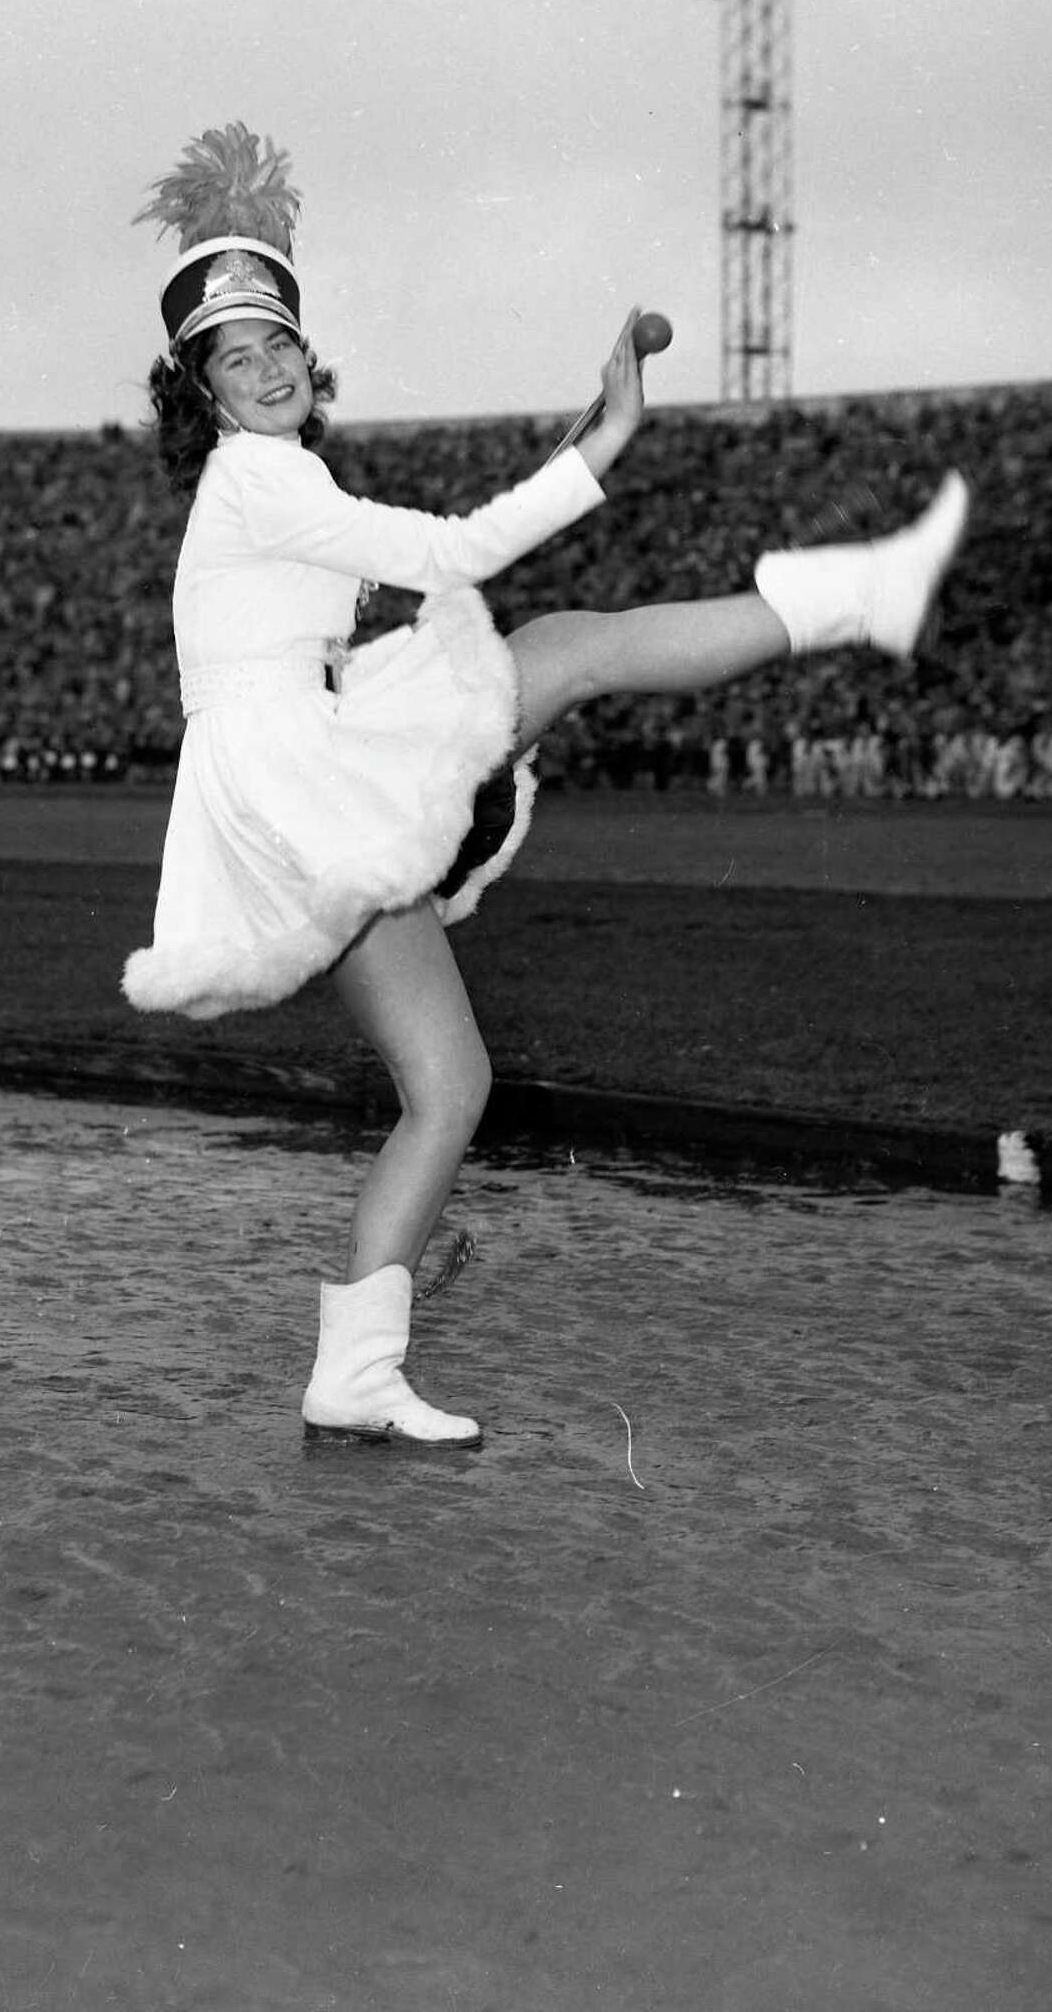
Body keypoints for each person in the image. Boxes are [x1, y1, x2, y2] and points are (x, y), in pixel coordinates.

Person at [123, 124, 969, 1448]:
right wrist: (617, 433)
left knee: (450, 1089)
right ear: (205, 394)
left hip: (301, 777)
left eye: (283, 339)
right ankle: (864, 591)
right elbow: (459, 549)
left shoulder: (283, 479)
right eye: (241, 356)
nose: (274, 365)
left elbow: (403, 586)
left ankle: (357, 1359)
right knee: (571, 649)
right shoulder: (254, 483)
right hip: (297, 778)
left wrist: (585, 426)